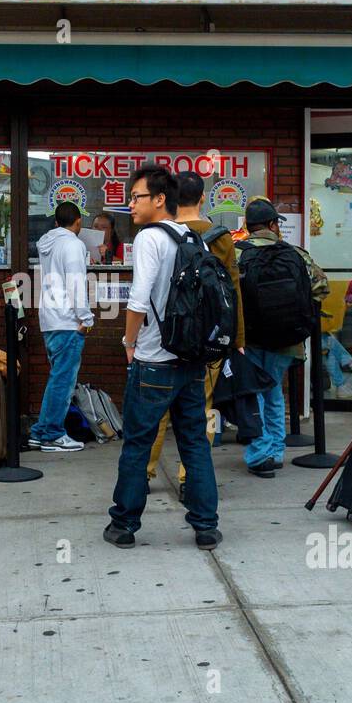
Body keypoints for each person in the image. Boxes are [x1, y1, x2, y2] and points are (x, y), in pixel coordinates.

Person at [107, 164, 221, 551]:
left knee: (137, 443)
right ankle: (206, 526)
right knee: (194, 443)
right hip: (190, 360)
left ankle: (123, 524)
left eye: (136, 197)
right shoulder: (193, 237)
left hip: (154, 360)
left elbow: (138, 299)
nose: (130, 204)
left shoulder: (149, 239)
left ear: (159, 200)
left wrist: (128, 340)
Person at [146, 171, 245, 491]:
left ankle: (144, 471)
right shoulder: (220, 237)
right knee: (203, 409)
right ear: (203, 198)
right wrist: (237, 338)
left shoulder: (159, 233)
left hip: (168, 334)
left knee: (157, 407)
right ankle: (191, 478)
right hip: (209, 337)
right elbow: (233, 291)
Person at [234, 199, 333, 475]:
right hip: (286, 339)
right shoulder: (295, 254)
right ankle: (275, 450)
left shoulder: (236, 254)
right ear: (273, 225)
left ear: (247, 227)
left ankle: (260, 453)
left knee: (255, 393)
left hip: (249, 339)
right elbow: (322, 289)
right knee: (273, 390)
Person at [28, 201, 94, 452]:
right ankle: (53, 434)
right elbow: (76, 284)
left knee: (57, 379)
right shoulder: (73, 244)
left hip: (50, 319)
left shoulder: (47, 243)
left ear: (56, 222)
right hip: (68, 320)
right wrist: (86, 320)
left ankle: (41, 431)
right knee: (63, 381)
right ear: (78, 222)